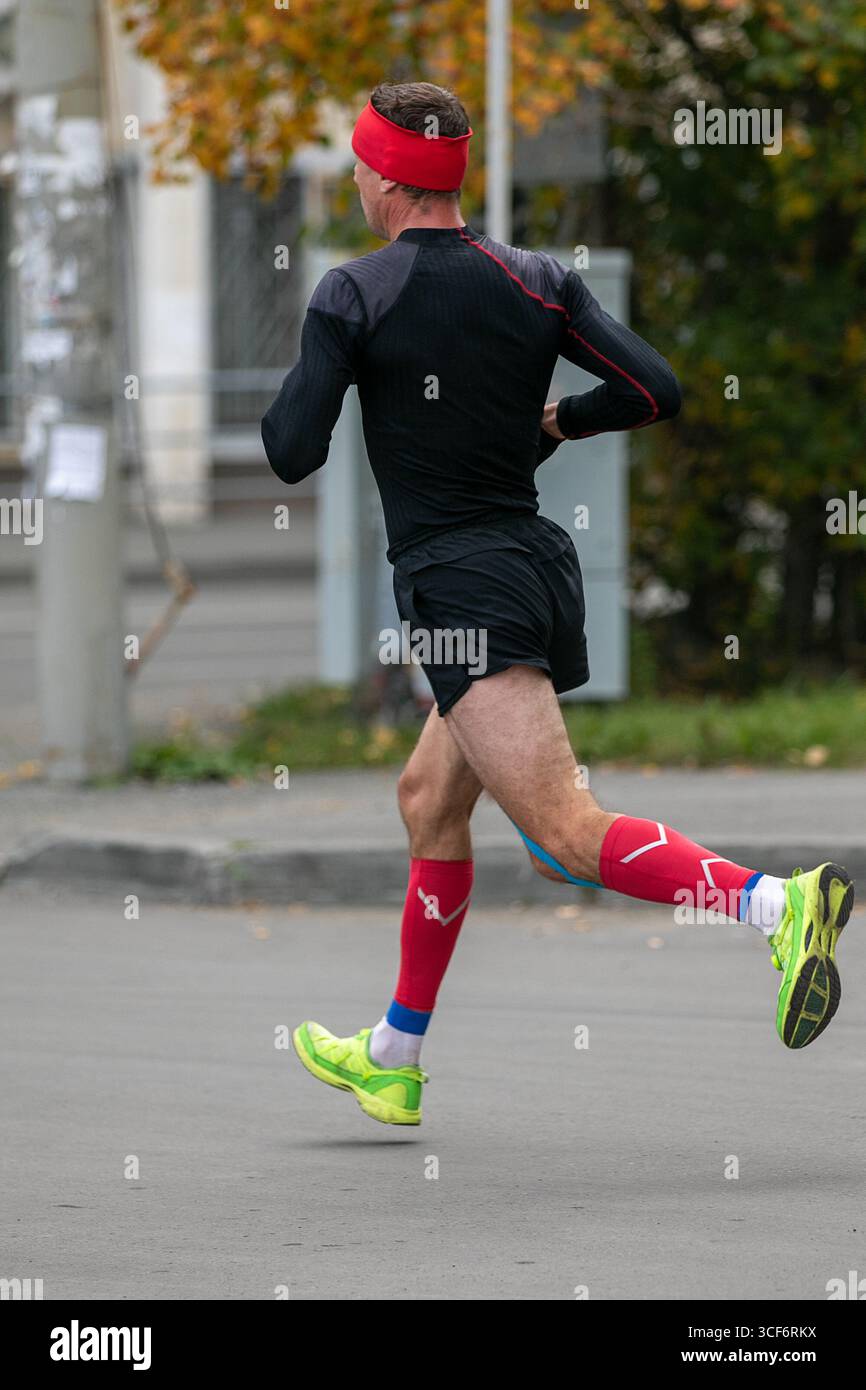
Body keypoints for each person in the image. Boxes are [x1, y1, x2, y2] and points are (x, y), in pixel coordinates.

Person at [262, 81, 853, 1127]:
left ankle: (774, 903)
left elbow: (289, 452)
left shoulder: (353, 293)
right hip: (535, 564)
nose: (354, 181)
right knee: (426, 801)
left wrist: (331, 353)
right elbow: (654, 389)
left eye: (357, 165)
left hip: (458, 586)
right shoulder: (533, 279)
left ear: (383, 175)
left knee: (563, 832)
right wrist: (558, 424)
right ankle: (393, 1055)